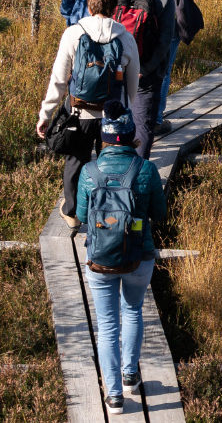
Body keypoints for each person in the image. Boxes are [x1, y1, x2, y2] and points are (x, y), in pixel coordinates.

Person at [35, 0, 146, 228]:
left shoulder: (74, 34)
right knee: (112, 164)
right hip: (113, 117)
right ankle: (109, 213)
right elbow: (132, 83)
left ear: (89, 5)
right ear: (115, 7)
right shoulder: (125, 38)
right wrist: (124, 110)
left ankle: (73, 213)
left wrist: (46, 113)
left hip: (79, 114)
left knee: (76, 161)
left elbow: (59, 79)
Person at [74, 112, 166, 411]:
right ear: (131, 137)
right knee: (133, 311)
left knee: (107, 324)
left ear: (103, 139)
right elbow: (160, 214)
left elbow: (83, 216)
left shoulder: (89, 171)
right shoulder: (146, 169)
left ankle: (114, 396)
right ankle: (130, 375)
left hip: (100, 258)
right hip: (139, 256)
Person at [117, 0, 179, 137]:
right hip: (146, 74)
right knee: (143, 128)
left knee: (115, 122)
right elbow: (165, 40)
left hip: (116, 68)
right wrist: (145, 69)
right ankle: (139, 166)